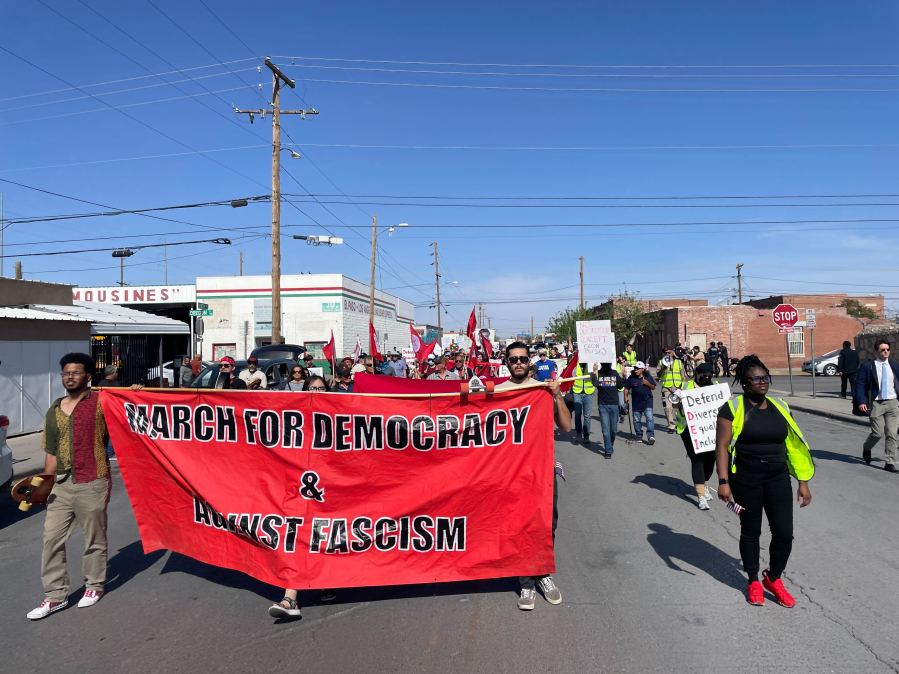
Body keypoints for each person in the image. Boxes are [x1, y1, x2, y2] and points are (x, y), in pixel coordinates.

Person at [715, 355, 814, 607]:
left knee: (784, 533)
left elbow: (792, 446)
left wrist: (803, 481)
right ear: (745, 383)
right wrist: (723, 481)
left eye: (765, 378)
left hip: (778, 478)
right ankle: (753, 581)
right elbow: (722, 446)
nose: (762, 382)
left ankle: (773, 578)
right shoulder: (732, 408)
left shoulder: (780, 406)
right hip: (745, 479)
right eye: (756, 379)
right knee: (751, 530)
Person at [28, 353, 111, 620]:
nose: (70, 377)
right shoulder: (54, 409)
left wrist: (136, 392)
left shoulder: (102, 402)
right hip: (61, 485)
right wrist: (45, 484)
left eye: (75, 372)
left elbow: (132, 413)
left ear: (88, 376)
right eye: (66, 373)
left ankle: (94, 585)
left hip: (93, 481)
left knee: (94, 538)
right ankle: (55, 596)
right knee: (51, 539)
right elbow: (51, 452)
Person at [495, 342, 571, 611]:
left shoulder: (543, 390)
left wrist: (557, 395)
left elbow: (566, 426)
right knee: (518, 525)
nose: (518, 363)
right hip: (511, 472)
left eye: (523, 359)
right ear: (506, 363)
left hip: (542, 469)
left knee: (547, 523)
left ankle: (542, 573)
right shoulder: (499, 392)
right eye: (513, 359)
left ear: (530, 363)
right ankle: (526, 580)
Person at [268, 376, 335, 618]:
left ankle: (326, 581)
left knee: (325, 536)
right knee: (296, 538)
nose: (316, 392)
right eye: (312, 388)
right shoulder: (291, 415)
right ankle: (290, 599)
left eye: (321, 388)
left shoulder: (339, 415)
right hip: (299, 491)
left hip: (331, 491)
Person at [674, 363, 718, 510]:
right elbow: (674, 404)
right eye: (704, 375)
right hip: (689, 429)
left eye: (709, 375)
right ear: (697, 374)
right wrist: (679, 401)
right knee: (697, 459)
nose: (707, 377)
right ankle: (701, 496)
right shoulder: (686, 386)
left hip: (710, 430)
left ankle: (705, 484)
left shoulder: (715, 387)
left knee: (711, 459)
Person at [854, 338, 899, 472]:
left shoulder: (894, 365)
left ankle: (890, 462)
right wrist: (862, 401)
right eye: (882, 350)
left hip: (892, 402)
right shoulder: (868, 366)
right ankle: (867, 448)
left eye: (887, 349)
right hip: (876, 403)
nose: (886, 352)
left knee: (892, 433)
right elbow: (860, 384)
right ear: (876, 351)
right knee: (877, 433)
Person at [595, 362, 623, 458]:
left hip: (614, 405)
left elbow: (620, 386)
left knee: (613, 430)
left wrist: (622, 377)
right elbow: (594, 384)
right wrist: (594, 372)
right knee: (606, 430)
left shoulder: (614, 373)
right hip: (603, 405)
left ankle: (609, 444)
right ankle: (608, 450)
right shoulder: (598, 373)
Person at [624, 361, 656, 444]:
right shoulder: (631, 377)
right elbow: (626, 388)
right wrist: (626, 398)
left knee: (649, 419)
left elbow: (653, 387)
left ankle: (650, 436)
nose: (636, 370)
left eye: (638, 369)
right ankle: (639, 435)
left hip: (647, 401)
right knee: (636, 420)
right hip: (636, 403)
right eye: (635, 368)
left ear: (642, 369)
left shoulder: (647, 377)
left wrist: (648, 383)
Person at [657, 347, 685, 433]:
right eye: (665, 353)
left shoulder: (679, 362)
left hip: (678, 387)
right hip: (666, 387)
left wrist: (683, 387)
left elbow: (683, 376)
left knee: (679, 408)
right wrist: (663, 368)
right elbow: (658, 375)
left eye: (669, 352)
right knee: (668, 407)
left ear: (673, 352)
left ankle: (680, 425)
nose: (667, 354)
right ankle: (671, 426)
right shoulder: (661, 362)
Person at [570, 361, 596, 446]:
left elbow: (595, 378)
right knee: (577, 414)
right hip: (577, 392)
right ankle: (578, 434)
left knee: (587, 416)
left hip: (589, 392)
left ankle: (586, 435)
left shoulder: (592, 363)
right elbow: (571, 375)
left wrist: (595, 370)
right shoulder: (575, 363)